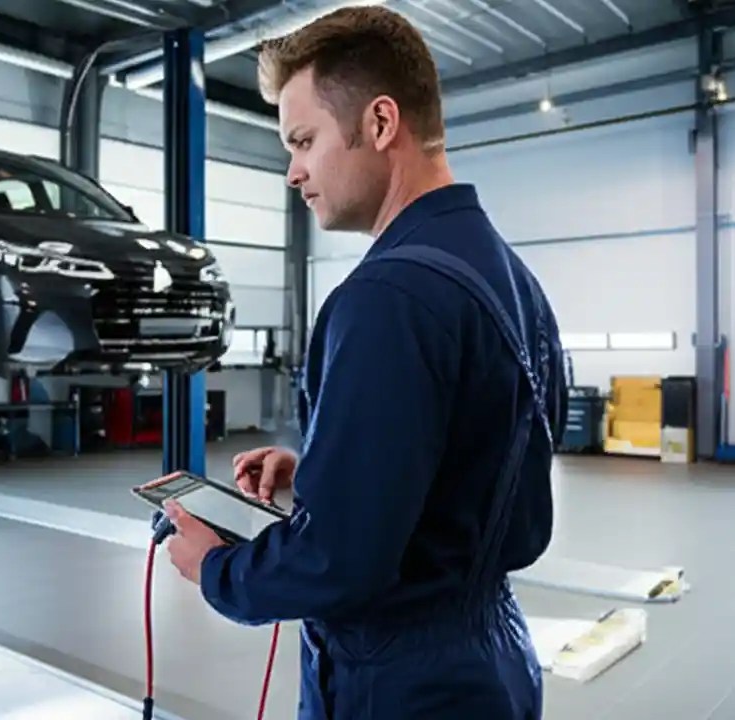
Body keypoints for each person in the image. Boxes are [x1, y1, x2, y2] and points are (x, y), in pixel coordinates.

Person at [162, 6, 567, 719]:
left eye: (304, 140)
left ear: (380, 124)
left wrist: (217, 570)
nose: (293, 171)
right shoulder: (509, 278)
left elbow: (339, 565)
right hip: (492, 661)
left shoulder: (385, 297)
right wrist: (326, 469)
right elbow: (475, 462)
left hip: (398, 681)